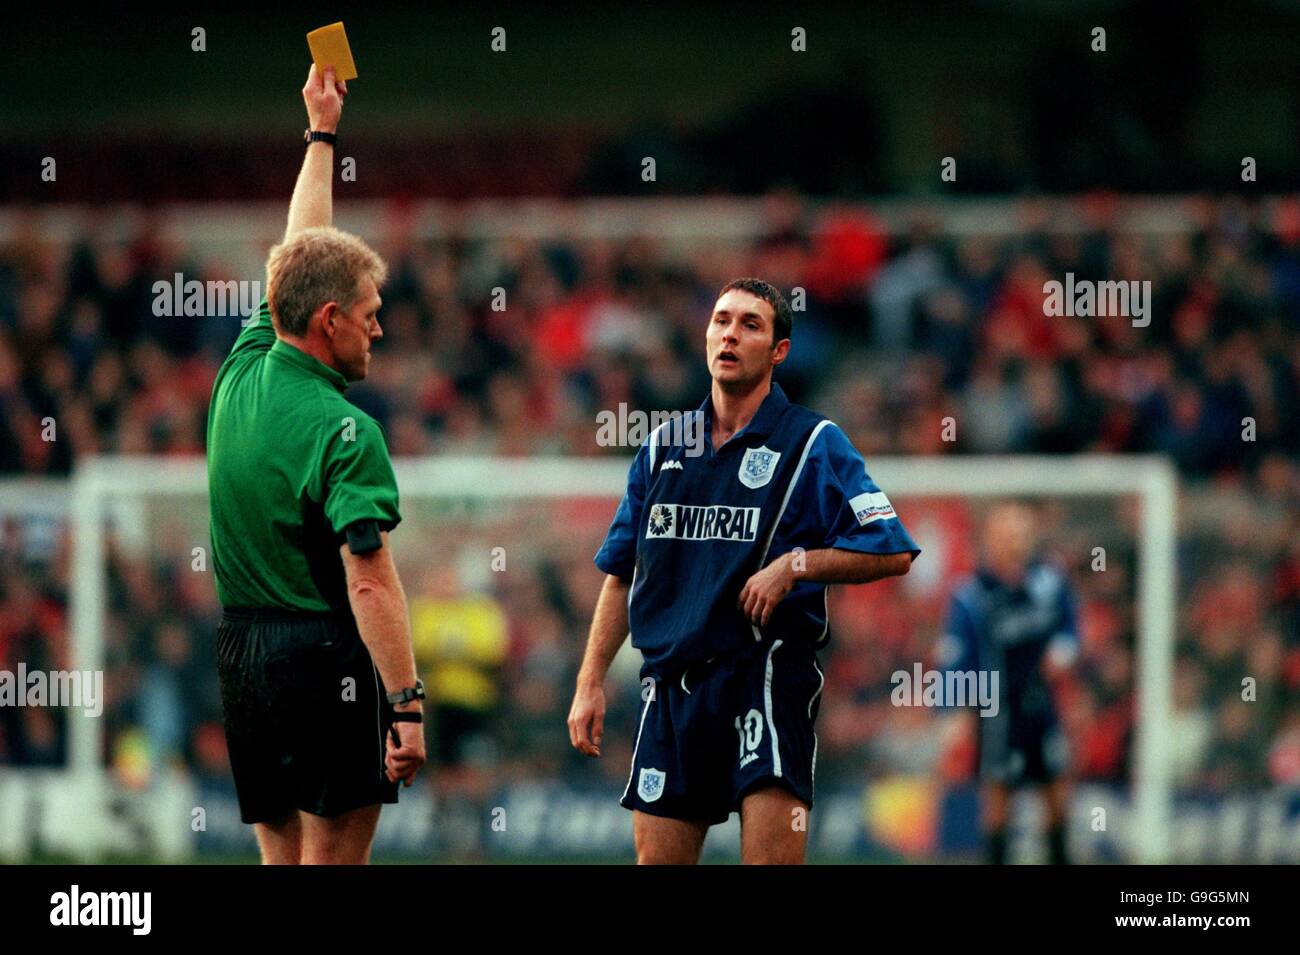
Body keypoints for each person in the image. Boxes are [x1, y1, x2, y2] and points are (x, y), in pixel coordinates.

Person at [568, 278, 920, 864]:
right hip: (673, 690)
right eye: (722, 320)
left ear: (778, 351)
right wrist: (589, 682)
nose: (730, 333)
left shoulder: (813, 443)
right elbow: (622, 572)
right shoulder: (662, 446)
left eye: (750, 324)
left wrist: (796, 565)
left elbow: (893, 549)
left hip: (765, 679)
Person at [206, 64, 426, 864]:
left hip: (242, 656)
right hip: (324, 654)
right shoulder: (346, 429)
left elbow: (298, 253)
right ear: (330, 321)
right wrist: (406, 701)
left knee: (280, 857)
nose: (379, 332)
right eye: (370, 318)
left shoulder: (244, 361)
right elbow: (369, 579)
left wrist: (321, 133)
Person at [938, 502, 1079, 864]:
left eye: (1022, 534)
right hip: (999, 715)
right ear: (990, 540)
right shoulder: (970, 595)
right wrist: (952, 709)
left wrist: (1064, 649)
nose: (1016, 542)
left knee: (1058, 794)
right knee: (999, 803)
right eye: (1008, 535)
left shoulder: (1049, 581)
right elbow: (956, 656)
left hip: (1042, 706)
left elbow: (1069, 626)